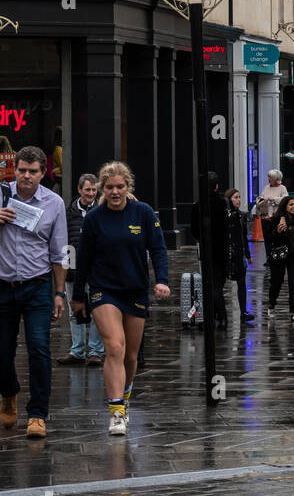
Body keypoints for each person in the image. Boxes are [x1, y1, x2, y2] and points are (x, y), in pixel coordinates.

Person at [72, 161, 169, 437]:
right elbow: (84, 258)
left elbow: (159, 249)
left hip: (135, 290)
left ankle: (124, 398)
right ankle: (116, 413)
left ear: (128, 187)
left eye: (120, 187)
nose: (115, 192)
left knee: (130, 356)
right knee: (114, 346)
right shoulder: (94, 218)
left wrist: (161, 280)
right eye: (110, 187)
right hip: (104, 290)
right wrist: (78, 297)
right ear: (103, 189)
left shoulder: (144, 213)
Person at [0, 145, 69, 438]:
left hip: (37, 286)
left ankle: (38, 414)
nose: (26, 176)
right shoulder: (1, 195)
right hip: (2, 287)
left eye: (33, 171)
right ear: (15, 170)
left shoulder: (54, 203)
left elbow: (61, 251)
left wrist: (60, 292)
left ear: (43, 173)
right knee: (2, 352)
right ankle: (9, 392)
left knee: (39, 349)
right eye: (22, 170)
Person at [59, 173, 105, 366]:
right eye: (88, 190)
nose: (91, 193)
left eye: (94, 190)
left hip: (96, 270)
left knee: (97, 310)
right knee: (74, 310)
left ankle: (95, 351)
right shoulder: (68, 212)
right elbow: (62, 238)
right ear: (79, 190)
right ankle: (77, 351)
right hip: (73, 266)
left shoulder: (102, 210)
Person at [191, 172, 229, 327]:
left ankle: (217, 315)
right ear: (217, 187)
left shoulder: (198, 205)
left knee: (211, 284)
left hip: (207, 250)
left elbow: (194, 230)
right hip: (222, 249)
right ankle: (220, 316)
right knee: (218, 284)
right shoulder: (223, 203)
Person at [268, 195, 294, 318]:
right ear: (285, 206)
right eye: (291, 205)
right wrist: (277, 231)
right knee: (276, 282)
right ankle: (271, 304)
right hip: (279, 256)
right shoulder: (277, 219)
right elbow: (270, 238)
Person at [223, 189, 254, 322]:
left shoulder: (242, 215)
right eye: (236, 197)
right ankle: (219, 313)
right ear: (229, 199)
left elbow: (244, 236)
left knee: (242, 284)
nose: (239, 200)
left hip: (240, 254)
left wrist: (248, 255)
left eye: (240, 197)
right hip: (228, 254)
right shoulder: (226, 215)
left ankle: (243, 312)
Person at [257, 170, 288, 263]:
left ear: (276, 179)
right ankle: (268, 257)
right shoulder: (266, 188)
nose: (268, 179)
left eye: (270, 177)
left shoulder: (282, 188)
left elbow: (286, 199)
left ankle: (278, 255)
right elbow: (260, 199)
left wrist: (274, 199)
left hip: (276, 218)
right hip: (265, 217)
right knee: (267, 239)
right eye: (268, 176)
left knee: (277, 238)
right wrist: (264, 200)